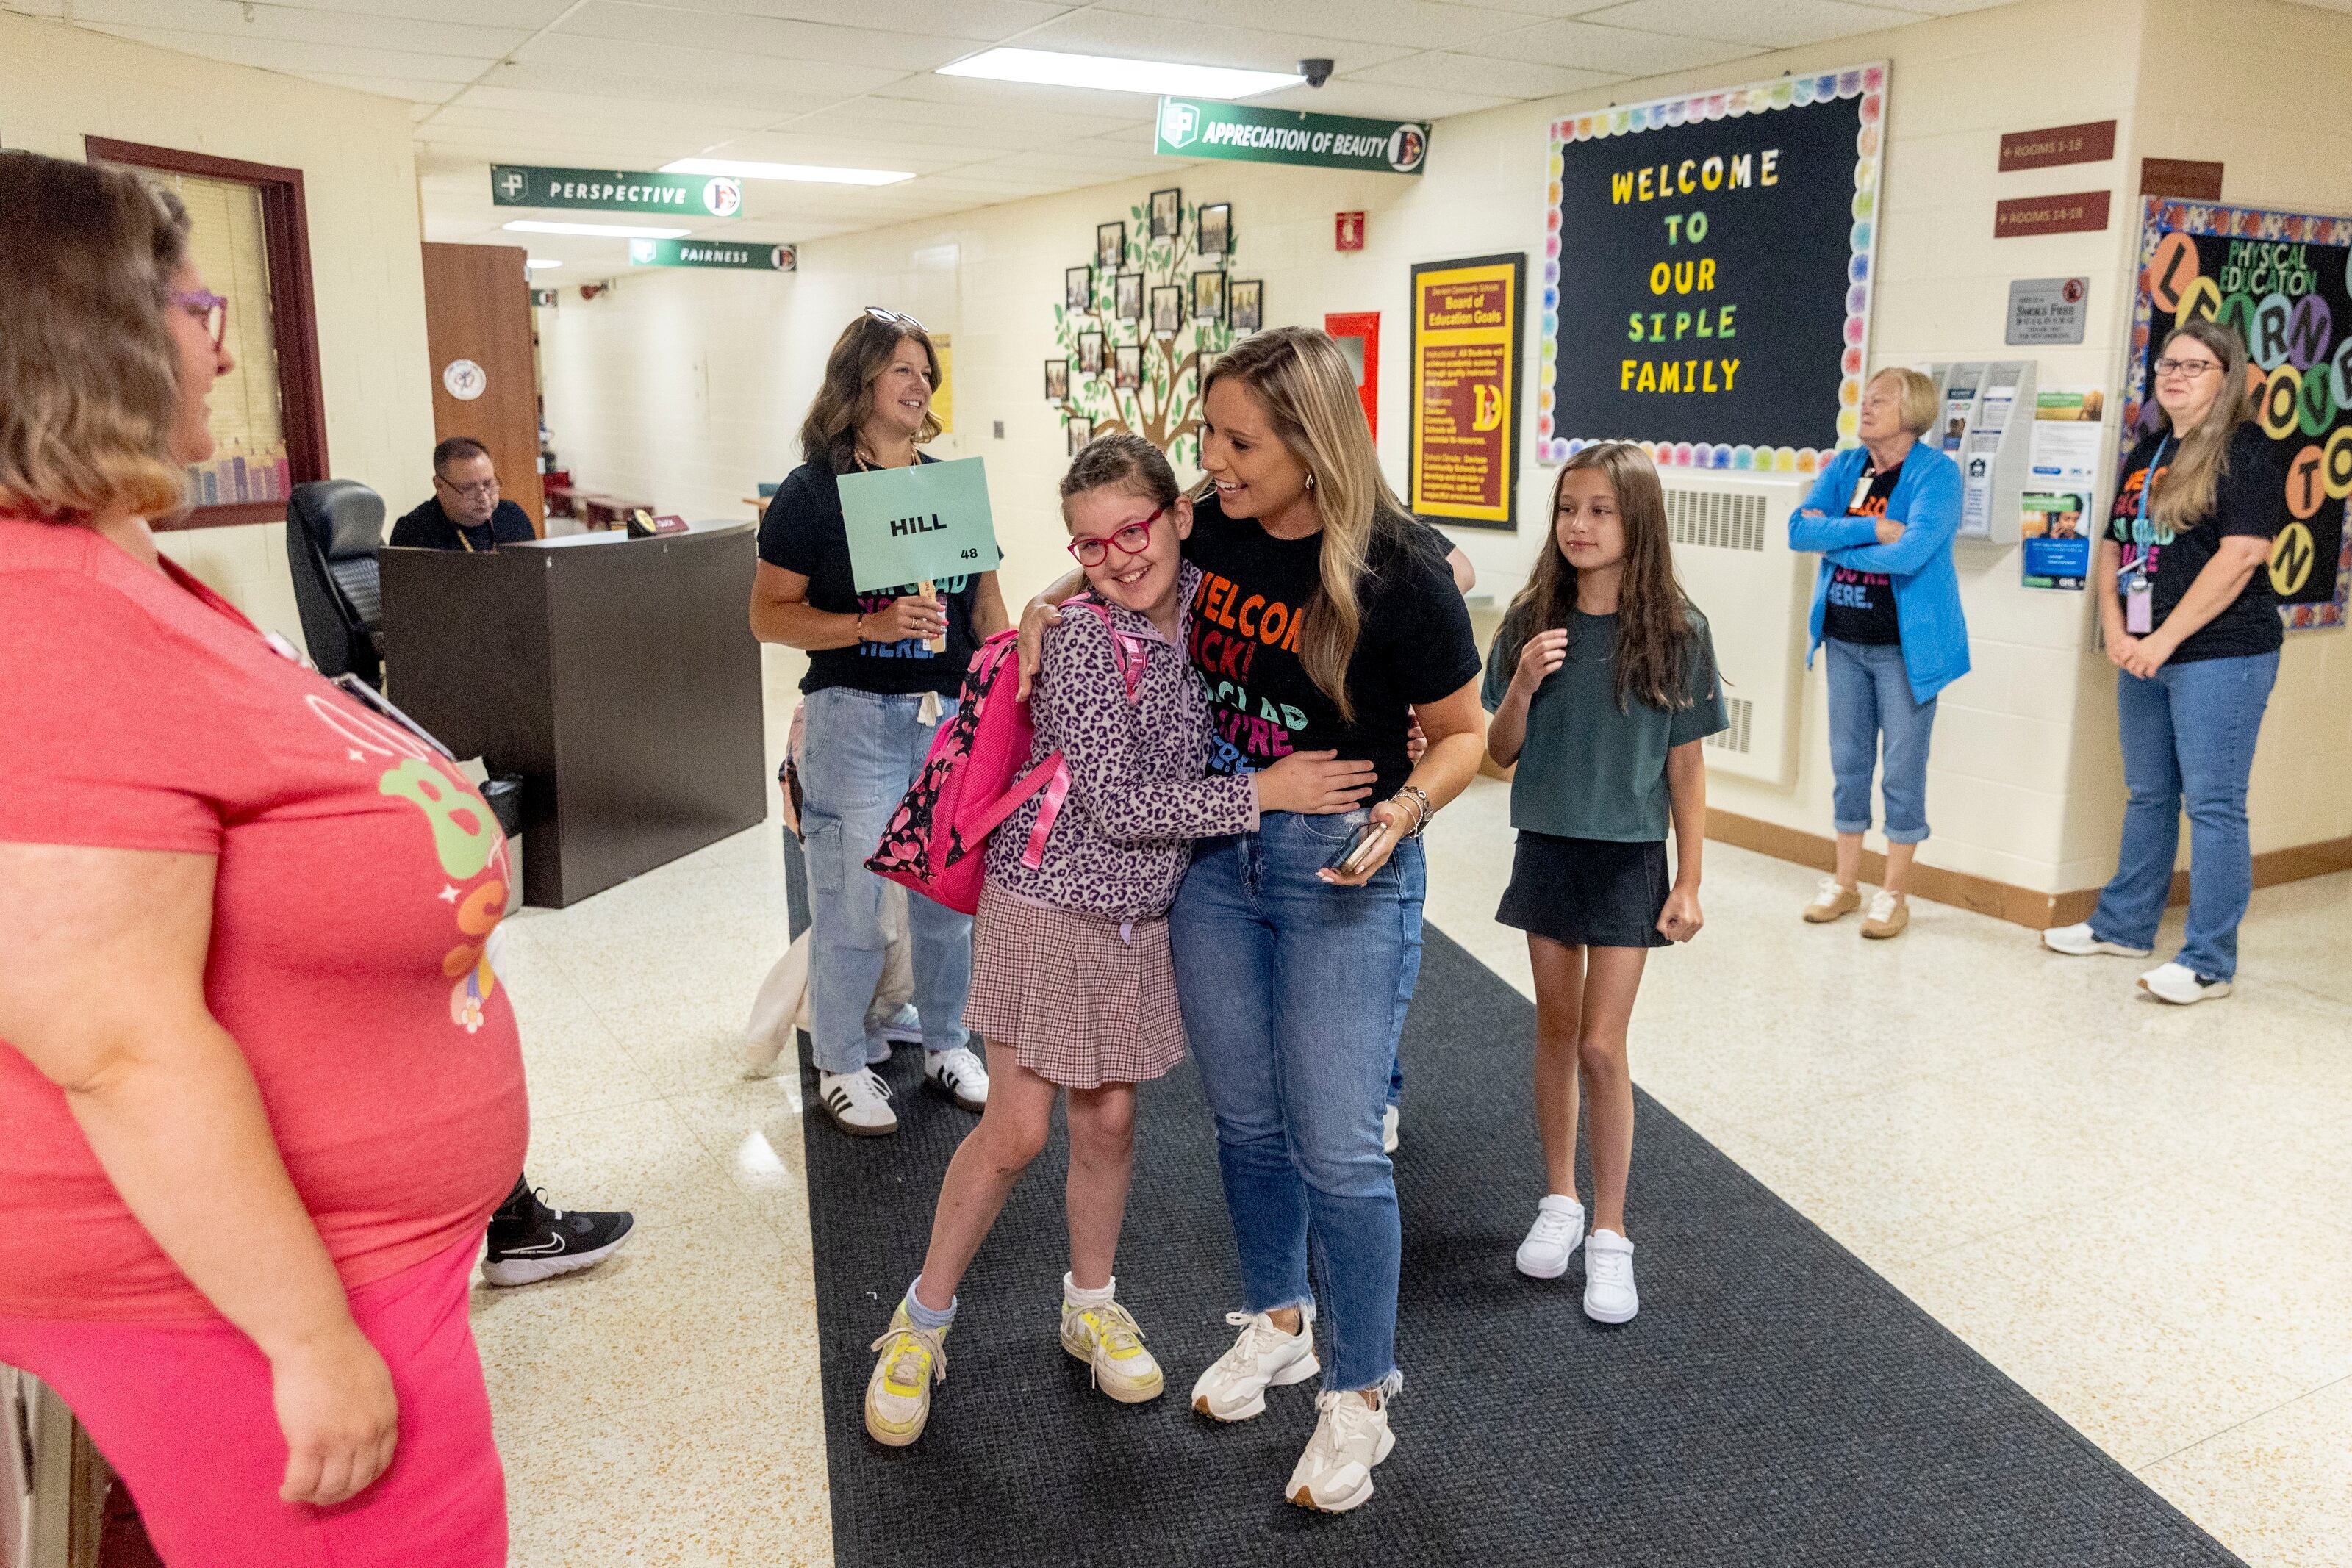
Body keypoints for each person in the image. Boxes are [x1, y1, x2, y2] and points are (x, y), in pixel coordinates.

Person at [0, 150, 512, 1566]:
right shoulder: (34, 617)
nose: (223, 340)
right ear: (82, 333)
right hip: (244, 1297)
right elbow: (116, 1041)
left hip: (345, 1257)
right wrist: (306, 1333)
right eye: (193, 300)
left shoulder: (134, 572)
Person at [1021, 326, 1487, 1513]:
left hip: (1340, 859)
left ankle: (1360, 1393)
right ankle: (1278, 1316)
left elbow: (1471, 728)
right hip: (1216, 849)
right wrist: (1046, 599)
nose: (1212, 462)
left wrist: (1415, 803)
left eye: (1239, 440)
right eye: (1210, 436)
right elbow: (1120, 550)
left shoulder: (1400, 572)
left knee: (1339, 1141)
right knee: (1246, 1122)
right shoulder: (1213, 517)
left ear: (1311, 443)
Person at [861, 435, 1373, 1447]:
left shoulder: (1215, 604)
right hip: (1047, 901)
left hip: (1140, 918)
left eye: (1133, 530)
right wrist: (1264, 792)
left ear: (1179, 518)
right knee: (1015, 1131)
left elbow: (1331, 541)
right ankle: (920, 1321)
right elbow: (1122, 801)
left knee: (1109, 1125)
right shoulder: (1087, 643)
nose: (1117, 557)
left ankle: (1089, 1300)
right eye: (1088, 546)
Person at [1483, 442, 1727, 1324]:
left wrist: (1689, 878)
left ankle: (1611, 1233)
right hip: (1547, 844)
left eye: (1599, 511)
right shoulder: (1529, 621)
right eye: (1567, 508)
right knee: (1553, 1030)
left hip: (1627, 857)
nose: (1578, 526)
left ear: (1637, 525)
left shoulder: (1676, 632)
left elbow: (1687, 771)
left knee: (1600, 1045)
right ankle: (1558, 1200)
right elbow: (1498, 751)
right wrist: (1517, 683)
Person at [750, 309, 1007, 1134]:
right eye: (902, 369)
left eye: (926, 372)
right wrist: (867, 624)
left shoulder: (948, 486)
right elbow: (769, 615)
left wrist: (1009, 683)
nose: (919, 384)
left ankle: (943, 1040)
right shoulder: (810, 493)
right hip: (853, 717)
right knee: (854, 899)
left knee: (944, 902)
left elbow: (988, 604)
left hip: (947, 720)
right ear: (858, 381)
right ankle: (842, 1059)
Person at [2044, 320, 2283, 1004]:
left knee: (2214, 805)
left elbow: (2241, 557)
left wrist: (2162, 641)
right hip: (2142, 649)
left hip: (2221, 654)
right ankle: (2124, 925)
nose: (2174, 375)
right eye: (2168, 364)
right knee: (2149, 793)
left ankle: (2209, 961)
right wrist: (2117, 631)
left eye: (2196, 365)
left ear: (2227, 376)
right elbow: (2115, 546)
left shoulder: (2247, 450)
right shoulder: (2148, 450)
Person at [1788, 367, 1968, 939]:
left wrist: (1838, 542)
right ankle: (1844, 884)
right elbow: (1799, 531)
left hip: (1906, 650)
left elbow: (1912, 555)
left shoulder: (1937, 475)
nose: (1865, 408)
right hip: (1844, 641)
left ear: (1911, 410)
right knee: (1848, 767)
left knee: (1902, 774)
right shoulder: (1845, 467)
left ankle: (1894, 894)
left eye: (1880, 401)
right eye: (1864, 400)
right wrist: (1872, 531)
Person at [388, 437, 536, 552]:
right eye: (469, 489)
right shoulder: (414, 531)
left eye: (488, 484)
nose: (484, 498)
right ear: (440, 486)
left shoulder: (513, 517)